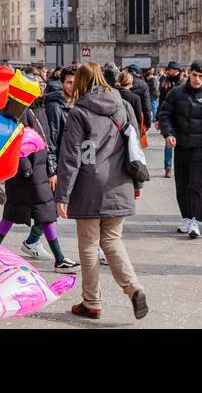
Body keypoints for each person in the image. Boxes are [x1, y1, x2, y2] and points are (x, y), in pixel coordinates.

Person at [54, 62, 148, 321]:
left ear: (82, 82)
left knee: (89, 245)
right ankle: (134, 288)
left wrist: (62, 195)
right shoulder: (124, 105)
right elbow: (134, 148)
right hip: (120, 184)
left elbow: (73, 157)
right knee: (112, 240)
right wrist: (137, 184)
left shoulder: (79, 113)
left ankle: (92, 302)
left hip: (89, 187)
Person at [0, 103, 78, 271]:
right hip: (29, 172)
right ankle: (59, 259)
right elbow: (17, 140)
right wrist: (26, 169)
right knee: (41, 211)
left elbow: (45, 139)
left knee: (19, 212)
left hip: (36, 169)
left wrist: (49, 169)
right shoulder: (21, 109)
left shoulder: (38, 108)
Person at [157, 60, 202, 238]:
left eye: (201, 76)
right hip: (180, 146)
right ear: (189, 73)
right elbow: (164, 115)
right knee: (181, 184)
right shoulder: (176, 93)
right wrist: (168, 133)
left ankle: (195, 219)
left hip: (199, 148)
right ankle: (186, 217)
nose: (197, 79)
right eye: (194, 75)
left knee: (195, 184)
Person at [158, 61, 182, 177]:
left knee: (181, 145)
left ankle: (180, 167)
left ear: (176, 70)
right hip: (169, 117)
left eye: (170, 69)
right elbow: (161, 101)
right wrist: (158, 118)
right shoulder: (164, 83)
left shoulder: (183, 83)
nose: (168, 71)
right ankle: (168, 168)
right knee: (169, 142)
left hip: (182, 117)